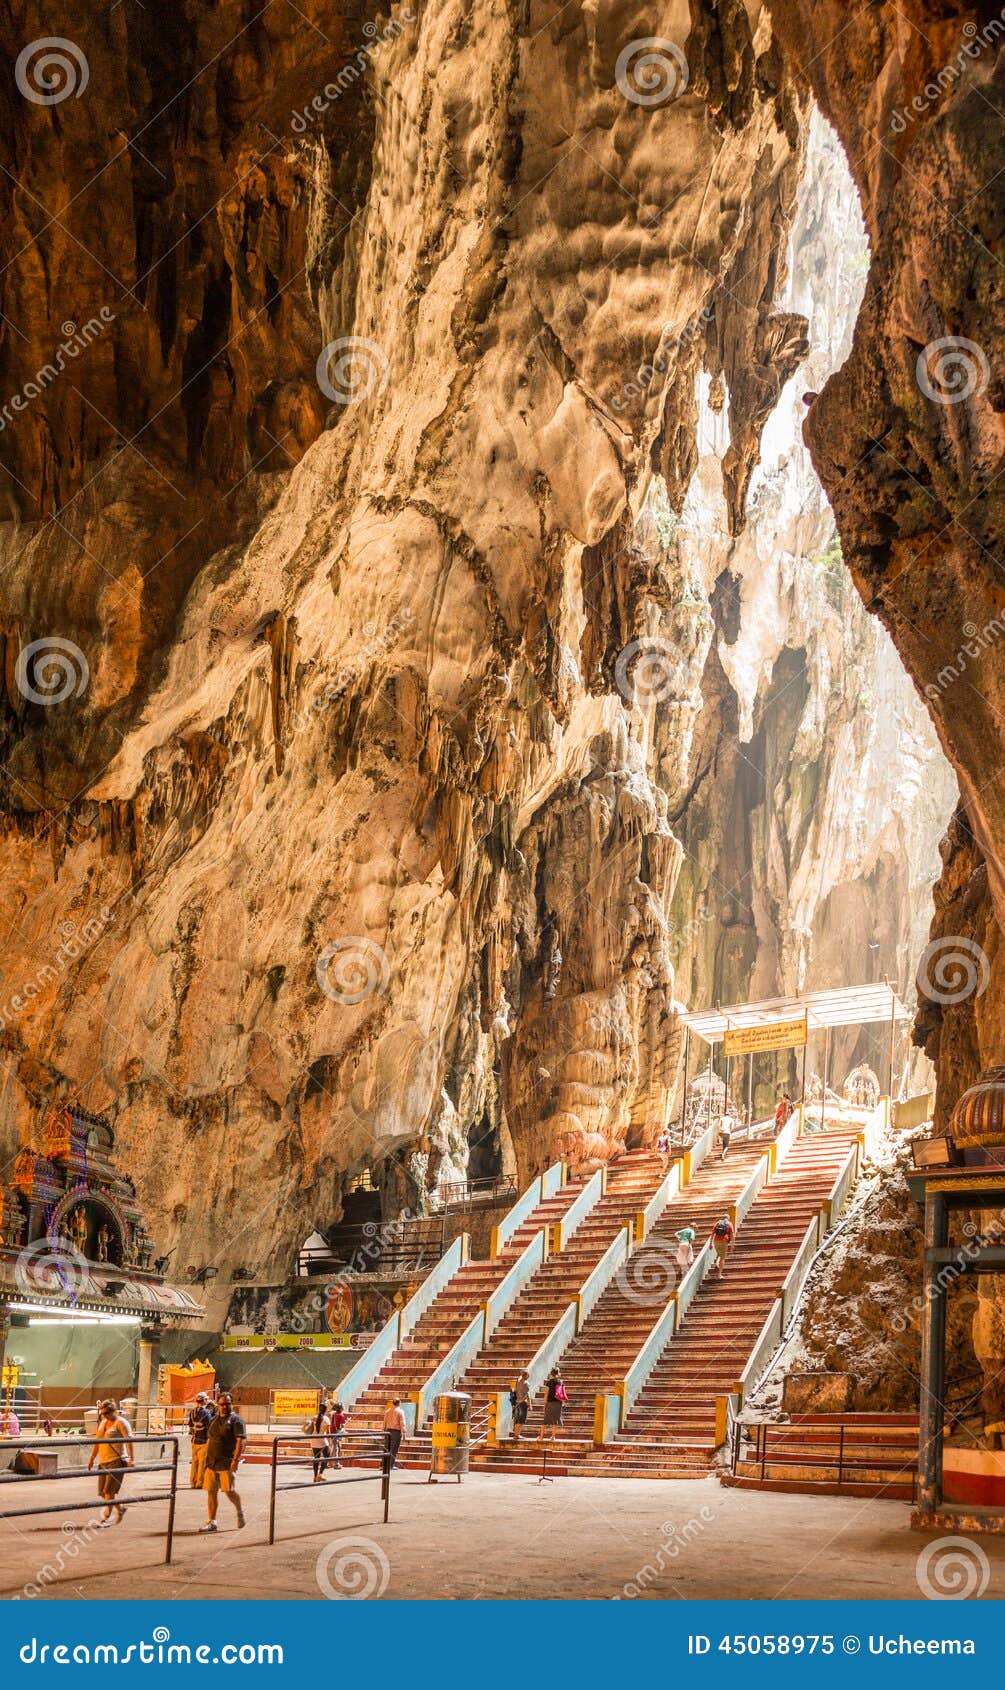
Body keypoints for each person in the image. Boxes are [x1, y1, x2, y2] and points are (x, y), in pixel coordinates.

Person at [200, 1392, 246, 1532]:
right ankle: (212, 1521)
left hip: (227, 1462)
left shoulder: (236, 1421)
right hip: (212, 1462)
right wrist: (205, 1461)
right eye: (222, 1404)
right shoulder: (214, 1420)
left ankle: (240, 1512)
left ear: (232, 1404)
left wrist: (236, 1460)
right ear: (218, 1405)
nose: (224, 1407)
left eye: (227, 1404)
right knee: (211, 1491)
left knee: (229, 1491)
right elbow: (210, 1441)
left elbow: (241, 1441)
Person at [87, 1398, 134, 1526]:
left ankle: (105, 1519)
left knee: (109, 1492)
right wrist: (91, 1458)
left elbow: (129, 1441)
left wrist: (131, 1459)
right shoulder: (103, 1423)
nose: (104, 1415)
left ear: (114, 1411)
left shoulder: (121, 1423)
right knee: (103, 1493)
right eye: (102, 1413)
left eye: (107, 1413)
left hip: (116, 1461)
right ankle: (121, 1509)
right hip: (103, 1461)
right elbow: (97, 1442)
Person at [188, 1391, 213, 1490]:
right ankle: (200, 1482)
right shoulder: (206, 1413)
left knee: (194, 1462)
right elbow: (209, 1427)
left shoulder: (192, 1412)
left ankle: (192, 1482)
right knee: (202, 1463)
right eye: (206, 1399)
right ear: (204, 1401)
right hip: (203, 1441)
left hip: (194, 1440)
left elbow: (190, 1425)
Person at [541, 1367, 567, 1440]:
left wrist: (544, 1404)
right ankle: (553, 1437)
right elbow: (562, 1393)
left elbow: (546, 1394)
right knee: (555, 1420)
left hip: (550, 1403)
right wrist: (563, 1402)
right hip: (558, 1403)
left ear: (551, 1374)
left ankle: (541, 1437)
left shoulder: (548, 1383)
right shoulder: (561, 1382)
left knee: (545, 1421)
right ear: (558, 1373)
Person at [310, 1400, 332, 1482]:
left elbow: (312, 1429)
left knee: (316, 1459)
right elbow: (328, 1432)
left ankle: (315, 1476)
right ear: (326, 1410)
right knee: (327, 1457)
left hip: (314, 1440)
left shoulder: (314, 1418)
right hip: (322, 1440)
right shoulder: (326, 1419)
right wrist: (329, 1443)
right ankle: (320, 1474)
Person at [382, 1398, 406, 1469]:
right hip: (396, 1432)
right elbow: (402, 1423)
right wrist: (404, 1433)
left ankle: (383, 1465)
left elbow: (384, 1422)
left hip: (387, 1431)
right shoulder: (400, 1412)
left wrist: (383, 1431)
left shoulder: (387, 1411)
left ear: (393, 1403)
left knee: (386, 1448)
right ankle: (390, 1465)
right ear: (399, 1403)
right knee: (394, 1449)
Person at [511, 1370, 531, 1437]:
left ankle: (516, 1434)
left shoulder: (518, 1382)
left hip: (517, 1403)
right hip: (522, 1403)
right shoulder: (526, 1383)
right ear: (525, 1375)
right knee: (521, 1420)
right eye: (528, 1375)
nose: (529, 1376)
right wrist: (529, 1404)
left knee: (517, 1419)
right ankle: (517, 1434)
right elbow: (527, 1395)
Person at [330, 1400, 348, 1469]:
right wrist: (346, 1423)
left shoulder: (334, 1414)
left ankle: (329, 1462)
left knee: (334, 1447)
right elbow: (341, 1426)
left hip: (332, 1432)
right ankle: (336, 1464)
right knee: (336, 1448)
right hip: (337, 1433)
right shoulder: (341, 1415)